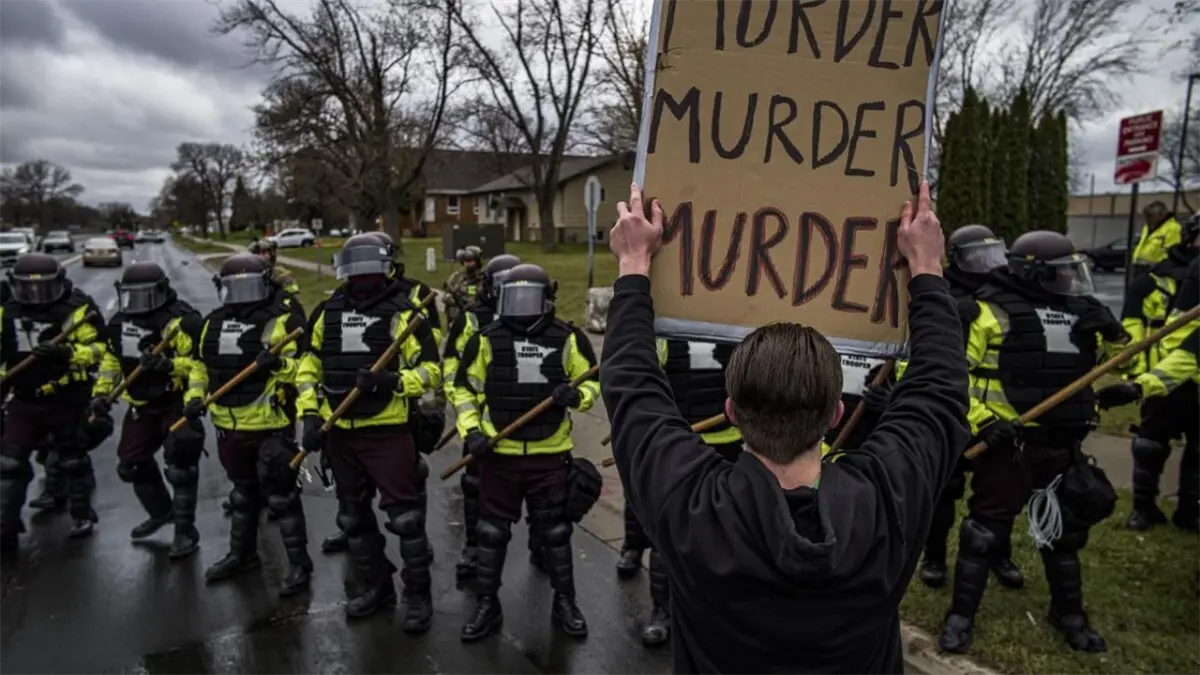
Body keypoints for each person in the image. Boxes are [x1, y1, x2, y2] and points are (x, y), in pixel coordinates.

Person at [601, 182, 968, 674]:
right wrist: (926, 269)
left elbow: (631, 390)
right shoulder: (886, 504)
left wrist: (634, 267)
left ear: (731, 411)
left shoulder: (690, 510)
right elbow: (940, 392)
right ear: (835, 414)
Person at [939, 230, 1127, 655]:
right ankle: (959, 617)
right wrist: (983, 423)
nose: (1069, 280)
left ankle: (1069, 615)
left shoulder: (1083, 313)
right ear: (1031, 270)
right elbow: (951, 377)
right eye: (1060, 272)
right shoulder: (984, 311)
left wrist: (1114, 333)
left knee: (1065, 534)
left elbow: (1106, 363)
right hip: (1011, 444)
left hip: (1064, 445)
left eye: (1071, 272)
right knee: (984, 533)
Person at [856, 225, 1025, 591]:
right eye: (980, 258)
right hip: (949, 419)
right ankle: (934, 557)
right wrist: (898, 398)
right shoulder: (940, 297)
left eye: (994, 255)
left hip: (996, 422)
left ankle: (1000, 553)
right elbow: (927, 365)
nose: (989, 266)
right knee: (942, 492)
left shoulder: (1001, 300)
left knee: (997, 496)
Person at [296, 233, 442, 629]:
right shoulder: (327, 312)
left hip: (388, 433)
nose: (361, 278)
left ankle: (418, 597)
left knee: (407, 519)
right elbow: (307, 369)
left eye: (369, 269)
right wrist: (309, 415)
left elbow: (432, 371)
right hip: (340, 433)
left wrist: (393, 382)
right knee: (353, 518)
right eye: (354, 270)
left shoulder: (405, 313)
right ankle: (378, 586)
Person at [448, 263, 601, 642]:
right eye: (513, 297)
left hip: (549, 457)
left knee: (555, 532)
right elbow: (462, 389)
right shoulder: (485, 339)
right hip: (499, 456)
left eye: (530, 297)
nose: (522, 305)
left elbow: (593, 385)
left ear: (547, 296)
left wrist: (575, 396)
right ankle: (488, 604)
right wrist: (472, 433)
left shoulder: (567, 338)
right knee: (491, 533)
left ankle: (565, 601)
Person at [184, 253, 312, 596]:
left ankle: (299, 565)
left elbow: (304, 368)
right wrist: (194, 397)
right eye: (233, 287)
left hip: (271, 424)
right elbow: (199, 366)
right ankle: (242, 555)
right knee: (242, 495)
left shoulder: (282, 320)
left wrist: (274, 367)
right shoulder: (212, 323)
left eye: (249, 286)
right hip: (227, 425)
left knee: (282, 495)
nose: (242, 294)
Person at [623, 336, 743, 648]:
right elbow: (645, 379)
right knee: (668, 536)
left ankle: (715, 611)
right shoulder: (666, 335)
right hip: (680, 445)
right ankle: (662, 610)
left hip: (728, 443)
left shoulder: (737, 333)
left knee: (724, 536)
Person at [89, 262, 205, 558]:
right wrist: (101, 394)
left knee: (180, 466)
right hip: (141, 404)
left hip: (175, 400)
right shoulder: (119, 323)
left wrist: (170, 366)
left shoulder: (181, 321)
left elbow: (198, 364)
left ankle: (185, 530)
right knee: (131, 464)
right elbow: (113, 362)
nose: (138, 304)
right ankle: (161, 511)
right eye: (132, 296)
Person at [1098, 215, 1200, 533]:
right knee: (1149, 445)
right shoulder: (1153, 281)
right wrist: (1135, 375)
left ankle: (1190, 510)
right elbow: (1132, 335)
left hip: (1189, 378)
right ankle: (1143, 508)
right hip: (1161, 379)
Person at [0, 254, 107, 549]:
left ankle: (82, 514)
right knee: (9, 462)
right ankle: (5, 524)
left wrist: (69, 355)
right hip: (23, 398)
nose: (35, 295)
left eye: (43, 288)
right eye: (28, 288)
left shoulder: (77, 309)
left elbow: (99, 348)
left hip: (65, 396)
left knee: (72, 459)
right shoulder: (6, 311)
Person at [440, 253, 521, 579]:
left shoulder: (537, 318)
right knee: (474, 487)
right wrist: (469, 417)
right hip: (483, 423)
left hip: (530, 420)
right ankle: (473, 546)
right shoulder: (471, 321)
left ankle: (543, 549)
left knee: (545, 497)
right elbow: (452, 372)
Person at [1131, 201, 1183, 273]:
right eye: (1146, 215)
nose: (1147, 219)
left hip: (1156, 270)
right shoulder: (1147, 227)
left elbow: (1172, 252)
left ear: (1161, 215)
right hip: (1139, 267)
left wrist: (1159, 267)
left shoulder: (1173, 228)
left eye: (1150, 216)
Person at [443, 245, 484, 327]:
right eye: (466, 261)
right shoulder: (456, 276)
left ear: (477, 262)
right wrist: (451, 298)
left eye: (471, 261)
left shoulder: (482, 278)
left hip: (475, 319)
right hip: (455, 319)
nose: (468, 264)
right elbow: (445, 295)